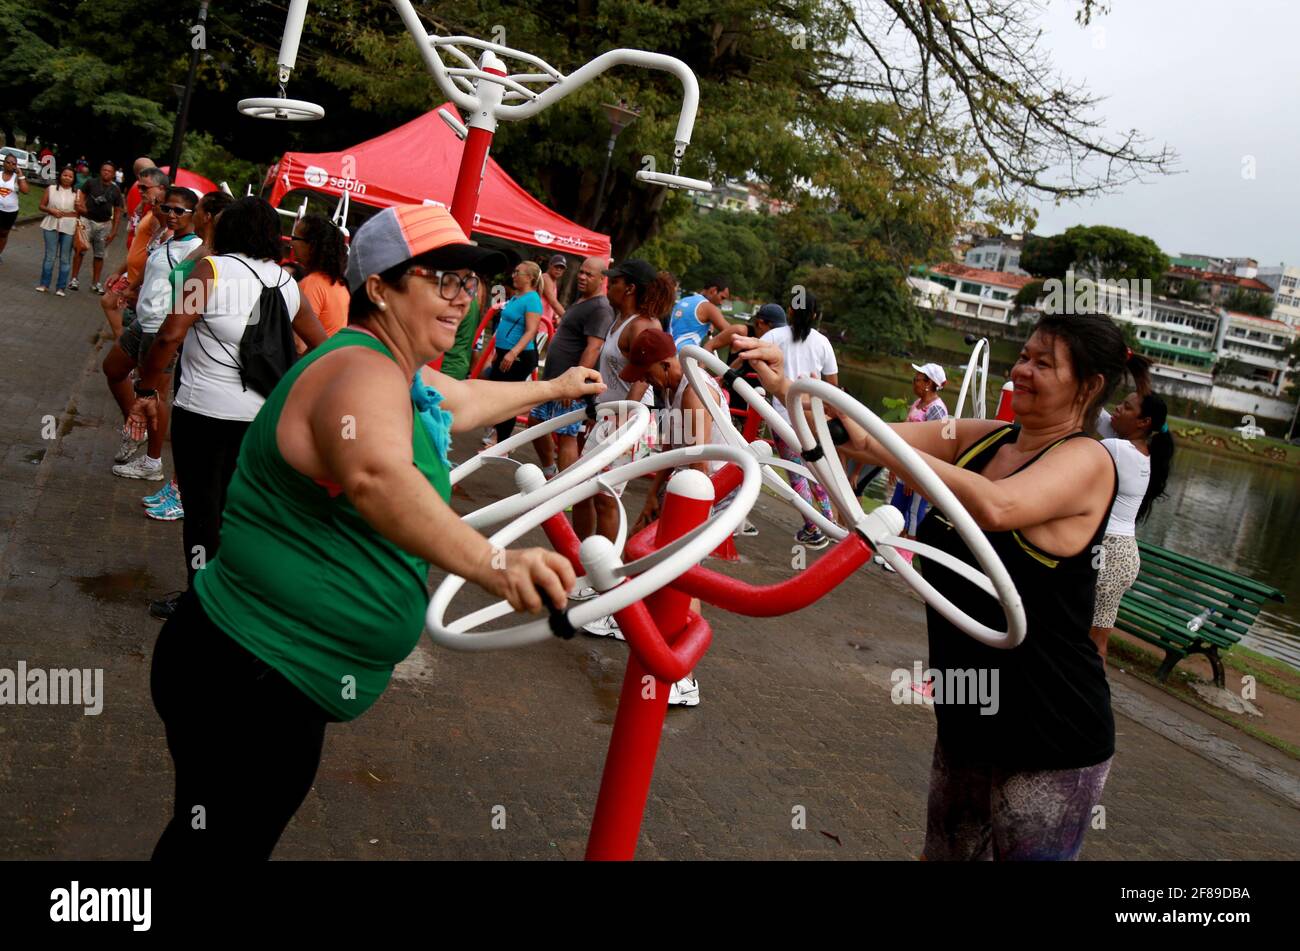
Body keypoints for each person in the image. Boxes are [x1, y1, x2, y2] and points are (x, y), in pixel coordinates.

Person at [148, 203, 602, 859]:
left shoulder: (399, 375)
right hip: (249, 676)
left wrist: (554, 384)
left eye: (466, 282)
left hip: (260, 673)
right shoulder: (358, 371)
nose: (460, 298)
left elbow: (464, 399)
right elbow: (376, 477)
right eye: (439, 279)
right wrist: (496, 564)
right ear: (380, 288)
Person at [738, 311, 1134, 861]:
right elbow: (858, 435)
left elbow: (999, 506)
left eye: (1044, 364)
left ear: (1088, 386)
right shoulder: (981, 439)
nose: (1022, 370)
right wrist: (787, 389)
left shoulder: (1088, 460)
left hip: (1051, 731)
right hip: (967, 717)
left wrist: (897, 455)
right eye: (1023, 356)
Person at [128, 197, 328, 622]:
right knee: (236, 509)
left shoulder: (210, 270)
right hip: (260, 418)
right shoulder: (286, 282)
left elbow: (169, 337)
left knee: (201, 510)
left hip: (203, 410)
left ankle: (200, 600)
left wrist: (146, 385)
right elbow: (324, 344)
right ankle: (234, 595)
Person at [623, 327, 742, 707]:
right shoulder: (668, 387)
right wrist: (651, 500)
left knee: (679, 572)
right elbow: (674, 451)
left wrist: (689, 522)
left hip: (715, 486)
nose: (643, 379)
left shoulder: (691, 391)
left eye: (646, 371)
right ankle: (649, 637)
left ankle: (684, 677)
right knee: (660, 561)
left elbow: (699, 462)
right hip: (692, 481)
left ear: (666, 362)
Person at [575, 258, 673, 639]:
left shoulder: (643, 328)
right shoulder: (617, 320)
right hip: (605, 419)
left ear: (628, 287)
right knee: (580, 492)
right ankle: (590, 567)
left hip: (626, 423)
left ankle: (610, 585)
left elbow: (643, 381)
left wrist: (624, 421)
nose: (606, 286)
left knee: (604, 498)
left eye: (612, 281)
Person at [139, 190, 237, 526]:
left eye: (196, 211)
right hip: (187, 339)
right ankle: (178, 485)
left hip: (196, 345)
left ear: (206, 216)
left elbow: (186, 288)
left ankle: (184, 492)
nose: (188, 215)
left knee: (186, 424)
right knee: (182, 420)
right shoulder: (205, 249)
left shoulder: (214, 258)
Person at [1089, 376, 1174, 662]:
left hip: (1109, 554)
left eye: (1126, 407)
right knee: (1095, 639)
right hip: (1120, 555)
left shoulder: (1117, 450)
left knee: (1092, 642)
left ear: (1143, 422)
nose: (1117, 409)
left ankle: (1090, 700)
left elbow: (1085, 413)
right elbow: (1095, 411)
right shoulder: (1136, 451)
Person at [759, 291, 839, 550]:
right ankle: (829, 522)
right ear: (815, 314)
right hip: (813, 421)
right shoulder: (823, 343)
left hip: (782, 418)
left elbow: (757, 367)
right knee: (817, 472)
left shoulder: (773, 337)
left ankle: (813, 528)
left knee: (797, 475)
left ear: (790, 312)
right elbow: (833, 386)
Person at [527, 255, 614, 486]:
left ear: (602, 279)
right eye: (582, 272)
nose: (582, 277)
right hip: (556, 381)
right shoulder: (582, 301)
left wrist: (575, 384)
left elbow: (593, 347)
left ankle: (563, 489)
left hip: (571, 386)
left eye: (589, 274)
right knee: (535, 422)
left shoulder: (600, 308)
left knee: (567, 437)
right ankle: (551, 473)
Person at [882, 363, 950, 569]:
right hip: (906, 465)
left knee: (914, 512)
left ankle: (907, 555)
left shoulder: (937, 410)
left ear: (929, 384)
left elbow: (937, 445)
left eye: (917, 379)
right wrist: (896, 465)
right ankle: (892, 549)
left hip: (921, 470)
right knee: (897, 506)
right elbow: (905, 435)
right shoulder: (918, 404)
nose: (914, 383)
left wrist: (914, 476)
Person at [101, 166, 170, 337]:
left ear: (161, 189)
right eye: (139, 187)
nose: (140, 191)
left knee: (123, 310)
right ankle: (122, 339)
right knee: (109, 301)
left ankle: (123, 342)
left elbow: (154, 255)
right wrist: (119, 271)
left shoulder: (158, 218)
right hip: (133, 277)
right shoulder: (151, 212)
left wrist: (135, 285)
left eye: (145, 188)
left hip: (141, 282)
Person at [484, 260, 544, 446]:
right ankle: (498, 437)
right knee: (494, 394)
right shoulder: (518, 297)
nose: (513, 275)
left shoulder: (533, 299)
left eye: (518, 272)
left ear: (530, 278)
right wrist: (498, 353)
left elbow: (531, 331)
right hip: (505, 353)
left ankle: (501, 443)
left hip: (519, 357)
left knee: (506, 401)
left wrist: (512, 353)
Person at [290, 214, 350, 350]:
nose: (291, 243)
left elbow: (299, 345)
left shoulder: (311, 284)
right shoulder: (340, 285)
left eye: (295, 238)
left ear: (312, 246)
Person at [72, 161, 124, 293]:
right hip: (87, 220)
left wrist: (114, 231)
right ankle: (74, 279)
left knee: (99, 255)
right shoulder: (91, 183)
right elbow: (81, 197)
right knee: (80, 250)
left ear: (113, 174)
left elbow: (118, 211)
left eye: (109, 171)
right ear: (101, 171)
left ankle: (95, 283)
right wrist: (79, 213)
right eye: (104, 170)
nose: (106, 172)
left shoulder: (116, 190)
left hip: (104, 224)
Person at [668, 277, 741, 352]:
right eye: (722, 297)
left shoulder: (684, 300)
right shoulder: (709, 307)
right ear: (713, 291)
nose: (721, 303)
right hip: (683, 357)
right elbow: (733, 333)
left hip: (667, 352)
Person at [36, 166, 78, 294]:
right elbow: (41, 206)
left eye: (70, 176)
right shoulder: (51, 189)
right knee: (50, 256)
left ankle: (61, 287)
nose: (67, 178)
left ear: (73, 179)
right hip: (51, 223)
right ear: (60, 176)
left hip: (69, 226)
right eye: (65, 175)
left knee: (65, 258)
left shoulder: (77, 193)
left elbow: (81, 212)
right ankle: (44, 284)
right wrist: (51, 210)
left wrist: (79, 206)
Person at [0, 152, 30, 264]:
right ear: (4, 163)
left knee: (3, 233)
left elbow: (26, 191)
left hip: (10, 212)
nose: (10, 165)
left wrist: (20, 175)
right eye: (8, 162)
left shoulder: (17, 178)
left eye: (14, 163)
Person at [539, 253, 567, 323]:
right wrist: (568, 319)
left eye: (561, 268)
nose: (559, 269)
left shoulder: (553, 280)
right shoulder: (546, 277)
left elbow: (550, 302)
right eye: (556, 266)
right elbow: (553, 302)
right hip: (538, 321)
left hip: (544, 323)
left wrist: (556, 316)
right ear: (550, 265)